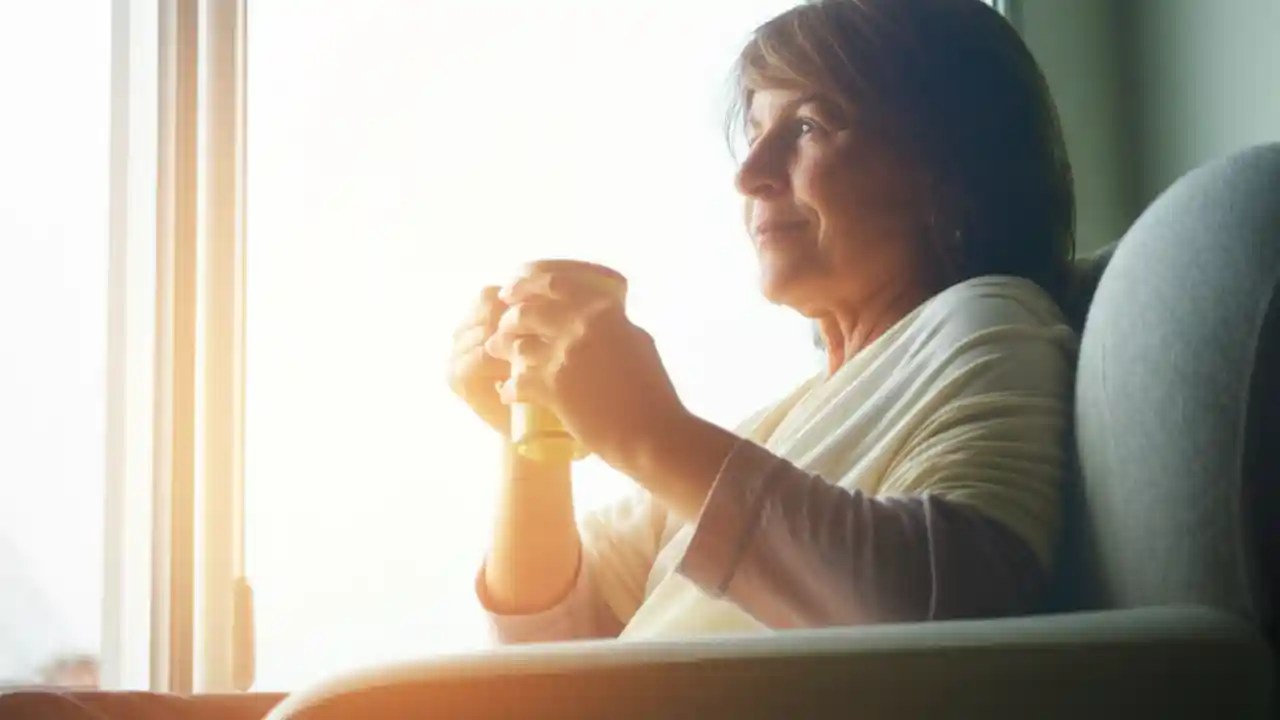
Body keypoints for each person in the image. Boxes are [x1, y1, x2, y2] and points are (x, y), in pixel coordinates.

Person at [449, 0, 1077, 641]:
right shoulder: (784, 425)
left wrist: (648, 433)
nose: (750, 175)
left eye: (808, 126)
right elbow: (547, 642)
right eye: (754, 135)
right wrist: (528, 435)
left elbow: (958, 621)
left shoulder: (991, 321)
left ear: (948, 162)